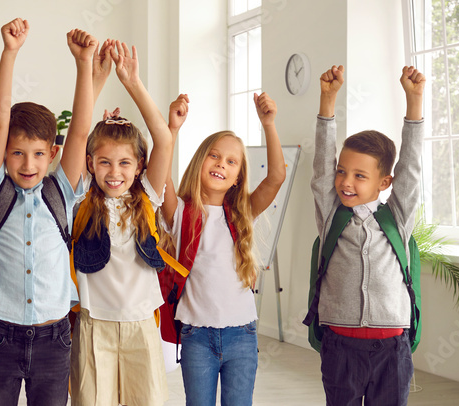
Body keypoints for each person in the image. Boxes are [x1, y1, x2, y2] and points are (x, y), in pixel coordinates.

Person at [0, 19, 96, 405]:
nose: (28, 164)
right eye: (18, 153)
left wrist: (84, 64)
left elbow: (79, 130)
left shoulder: (61, 191)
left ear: (52, 155)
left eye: (39, 154)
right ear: (5, 153)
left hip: (53, 339)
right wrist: (10, 52)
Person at [305, 65, 425, 406]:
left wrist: (414, 102)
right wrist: (327, 100)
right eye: (343, 172)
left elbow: (411, 169)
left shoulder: (397, 218)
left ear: (383, 183)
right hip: (339, 344)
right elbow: (321, 167)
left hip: (392, 347)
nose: (345, 181)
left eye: (360, 176)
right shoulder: (332, 215)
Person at [68, 40, 178, 406]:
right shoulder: (81, 198)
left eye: (125, 163)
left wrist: (132, 82)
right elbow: (80, 135)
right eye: (104, 162)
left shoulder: (146, 197)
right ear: (89, 164)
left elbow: (163, 138)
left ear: (140, 166)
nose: (114, 173)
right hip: (93, 323)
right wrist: (94, 77)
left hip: (141, 323)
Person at [160, 91, 285, 406]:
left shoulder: (243, 214)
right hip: (196, 337)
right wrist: (172, 130)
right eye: (214, 156)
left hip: (242, 336)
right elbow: (160, 177)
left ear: (238, 176)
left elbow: (276, 177)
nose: (221, 164)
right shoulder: (181, 212)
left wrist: (268, 123)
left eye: (231, 161)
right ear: (201, 161)